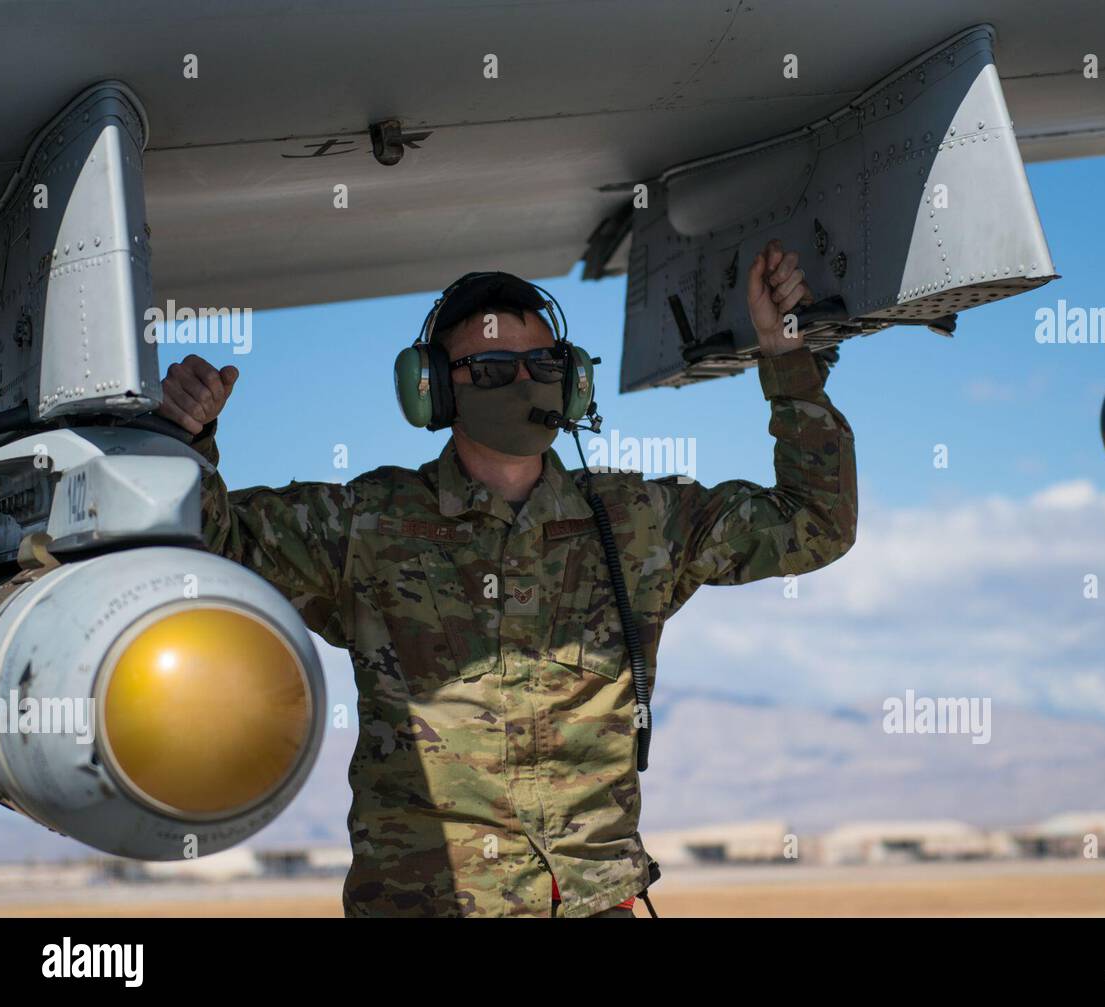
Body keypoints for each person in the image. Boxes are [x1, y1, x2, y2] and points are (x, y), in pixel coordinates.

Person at [157, 238, 857, 917]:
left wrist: (786, 355)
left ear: (573, 378)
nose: (523, 380)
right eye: (491, 367)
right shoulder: (366, 524)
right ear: (434, 391)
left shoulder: (638, 520)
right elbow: (214, 546)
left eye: (542, 362)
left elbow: (815, 522)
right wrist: (186, 438)